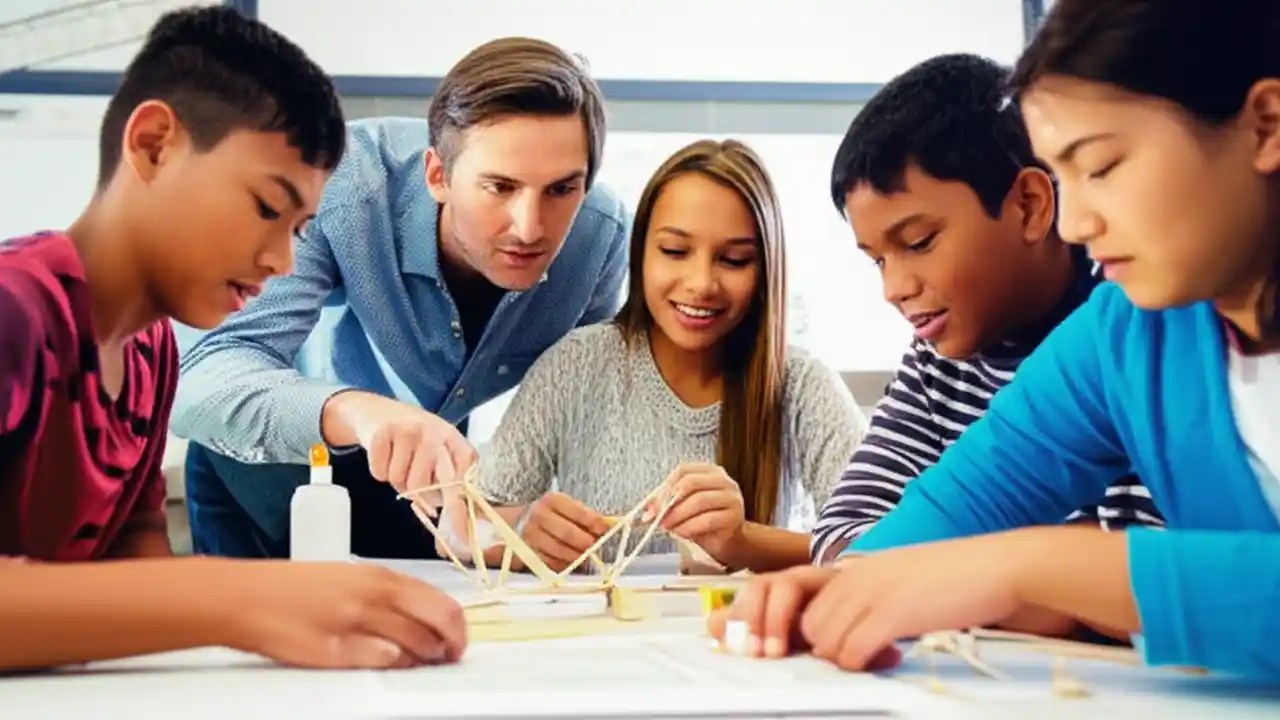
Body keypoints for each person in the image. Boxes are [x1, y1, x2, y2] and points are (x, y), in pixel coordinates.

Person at [708, 0, 1280, 680]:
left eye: (1100, 167)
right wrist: (845, 585)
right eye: (1064, 177)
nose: (1078, 224)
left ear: (1264, 126)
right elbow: (975, 496)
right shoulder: (1128, 336)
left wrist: (1027, 567)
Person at [0, 6, 464, 672]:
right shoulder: (14, 310)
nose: (280, 260)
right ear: (155, 144)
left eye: (300, 230)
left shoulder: (150, 352)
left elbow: (139, 577)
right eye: (268, 207)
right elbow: (180, 598)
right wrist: (243, 598)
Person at [170, 36, 630, 560]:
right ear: (438, 175)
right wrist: (359, 412)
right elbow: (200, 378)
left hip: (421, 479)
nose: (529, 228)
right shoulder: (337, 184)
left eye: (561, 190)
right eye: (499, 187)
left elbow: (578, 413)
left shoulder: (601, 236)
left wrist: (531, 516)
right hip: (265, 458)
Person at [438, 139, 867, 574]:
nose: (701, 283)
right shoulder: (576, 365)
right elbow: (456, 532)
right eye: (675, 252)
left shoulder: (803, 387)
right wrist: (521, 535)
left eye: (735, 260)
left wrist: (742, 543)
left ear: (765, 271)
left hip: (740, 636)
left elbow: (888, 545)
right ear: (640, 253)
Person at [808, 55, 1162, 581]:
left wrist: (976, 576)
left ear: (1028, 205)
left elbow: (1150, 560)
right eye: (879, 259)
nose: (894, 288)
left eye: (919, 242)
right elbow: (875, 526)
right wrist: (857, 580)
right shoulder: (948, 362)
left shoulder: (1142, 329)